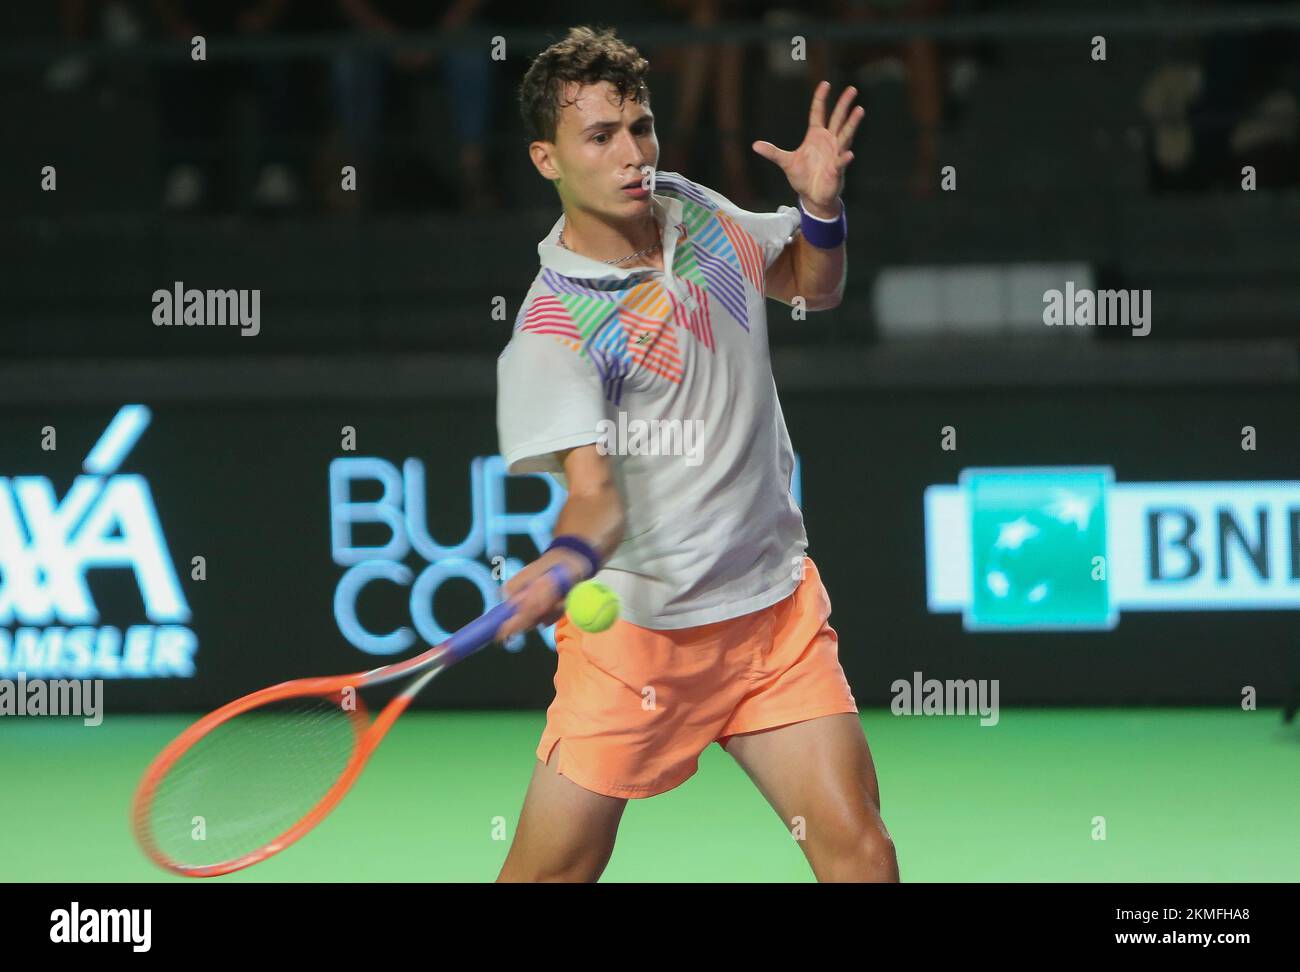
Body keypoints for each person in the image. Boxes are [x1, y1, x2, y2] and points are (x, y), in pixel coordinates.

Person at [493, 25, 897, 882]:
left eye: (640, 126)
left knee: (861, 853)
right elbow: (594, 497)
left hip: (770, 618)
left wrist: (822, 208)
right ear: (546, 159)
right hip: (636, 642)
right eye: (600, 137)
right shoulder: (551, 328)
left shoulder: (695, 207)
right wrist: (562, 563)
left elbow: (811, 287)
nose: (632, 153)